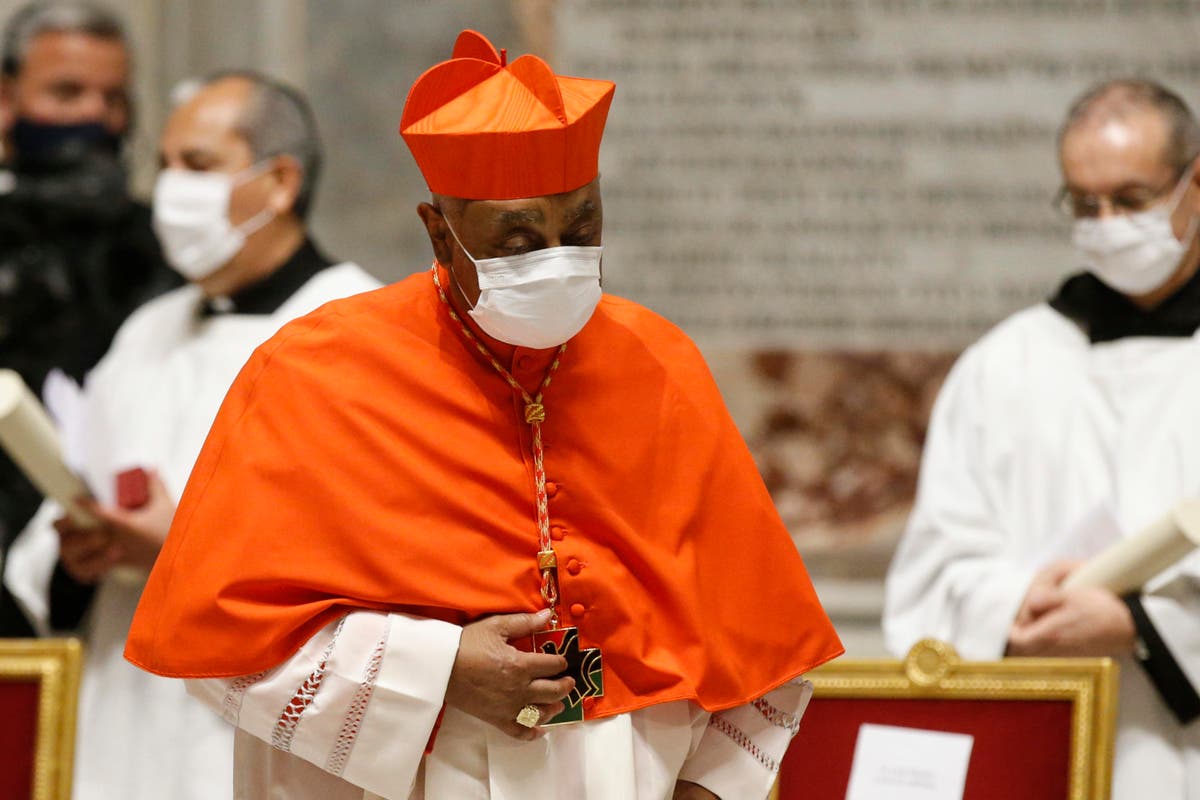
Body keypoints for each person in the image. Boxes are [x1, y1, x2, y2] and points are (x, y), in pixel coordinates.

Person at [124, 30, 843, 800]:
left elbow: (758, 642)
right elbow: (225, 647)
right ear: (440, 232)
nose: (561, 259)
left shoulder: (658, 360)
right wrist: (436, 672)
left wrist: (705, 790)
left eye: (584, 229)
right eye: (520, 240)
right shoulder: (315, 369)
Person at [4, 70, 380, 800]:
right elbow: (78, 502)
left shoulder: (360, 330)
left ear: (278, 183)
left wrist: (186, 550)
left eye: (199, 166)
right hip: (122, 724)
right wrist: (79, 548)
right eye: (166, 164)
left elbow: (372, 557)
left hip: (252, 736)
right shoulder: (149, 329)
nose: (171, 189)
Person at [884, 78, 1200, 799]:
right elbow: (932, 578)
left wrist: (1143, 627)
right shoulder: (1004, 365)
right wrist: (1021, 600)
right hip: (1040, 754)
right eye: (1084, 204)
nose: (1106, 223)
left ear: (1196, 183)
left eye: (1130, 199)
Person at [0, 0, 177, 636]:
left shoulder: (162, 250)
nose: (94, 117)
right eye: (67, 92)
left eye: (113, 99)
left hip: (97, 585)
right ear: (6, 99)